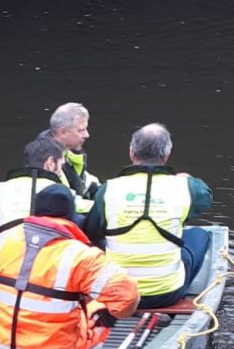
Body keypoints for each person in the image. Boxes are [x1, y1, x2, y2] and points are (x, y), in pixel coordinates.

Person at [0, 185, 139, 349]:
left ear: (34, 211)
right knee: (99, 308)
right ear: (71, 217)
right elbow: (127, 297)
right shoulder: (82, 256)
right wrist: (114, 312)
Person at [83, 124, 213, 308]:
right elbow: (206, 198)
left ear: (131, 153)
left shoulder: (108, 189)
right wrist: (187, 179)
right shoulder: (185, 187)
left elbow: (91, 231)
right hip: (166, 295)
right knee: (200, 235)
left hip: (117, 291)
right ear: (167, 155)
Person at [0, 134, 73, 263]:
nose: (62, 172)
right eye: (61, 166)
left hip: (5, 262)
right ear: (50, 163)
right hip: (44, 263)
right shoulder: (59, 192)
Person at [47, 102, 99, 210]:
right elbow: (64, 201)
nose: (87, 135)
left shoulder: (69, 151)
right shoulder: (47, 160)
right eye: (81, 130)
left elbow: (84, 180)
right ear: (63, 132)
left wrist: (107, 190)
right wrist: (103, 207)